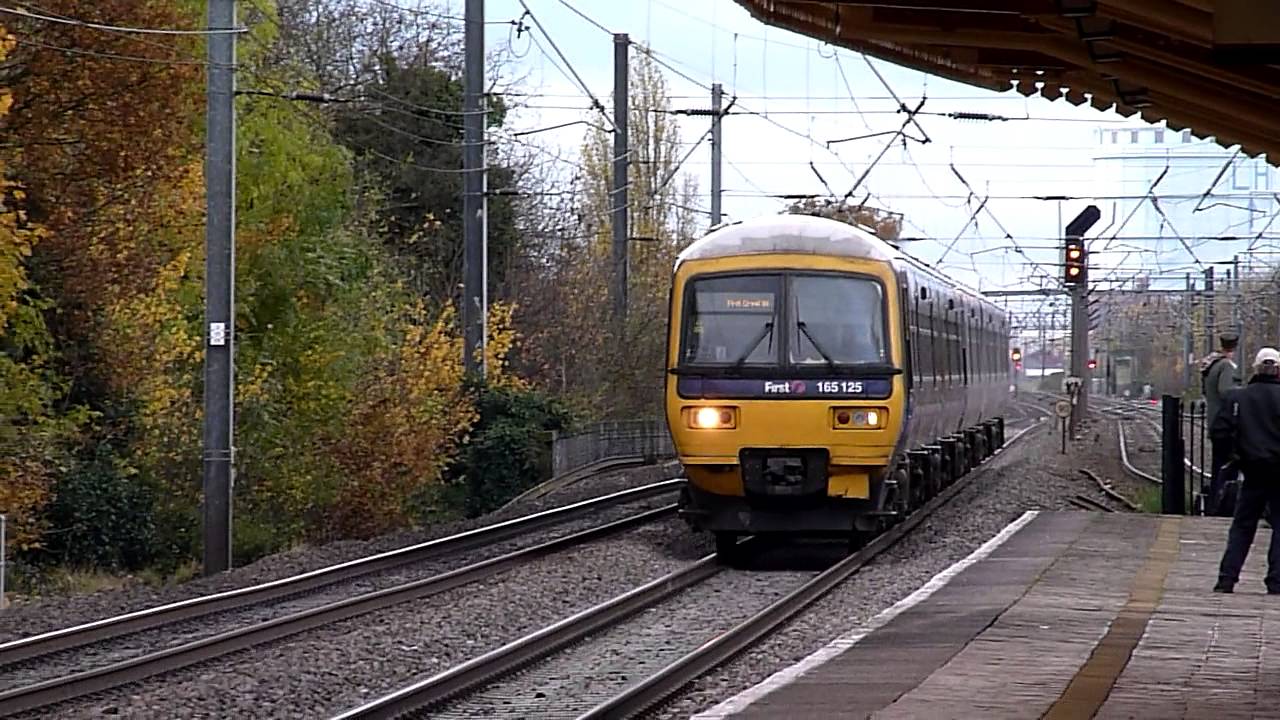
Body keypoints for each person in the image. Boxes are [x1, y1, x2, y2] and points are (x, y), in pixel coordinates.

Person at [1212, 347, 1280, 594]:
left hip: (1251, 471)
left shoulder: (1237, 398)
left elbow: (1219, 432)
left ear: (1255, 369)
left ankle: (1227, 578)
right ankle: (1276, 581)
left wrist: (1234, 458)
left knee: (1242, 525)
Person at [1201, 333, 1242, 515]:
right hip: (1224, 423)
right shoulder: (1225, 365)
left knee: (1218, 465)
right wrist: (1243, 394)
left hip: (1214, 420)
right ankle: (1222, 505)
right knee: (1227, 466)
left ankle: (1213, 503)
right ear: (1233, 348)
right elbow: (1226, 391)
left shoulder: (1212, 365)